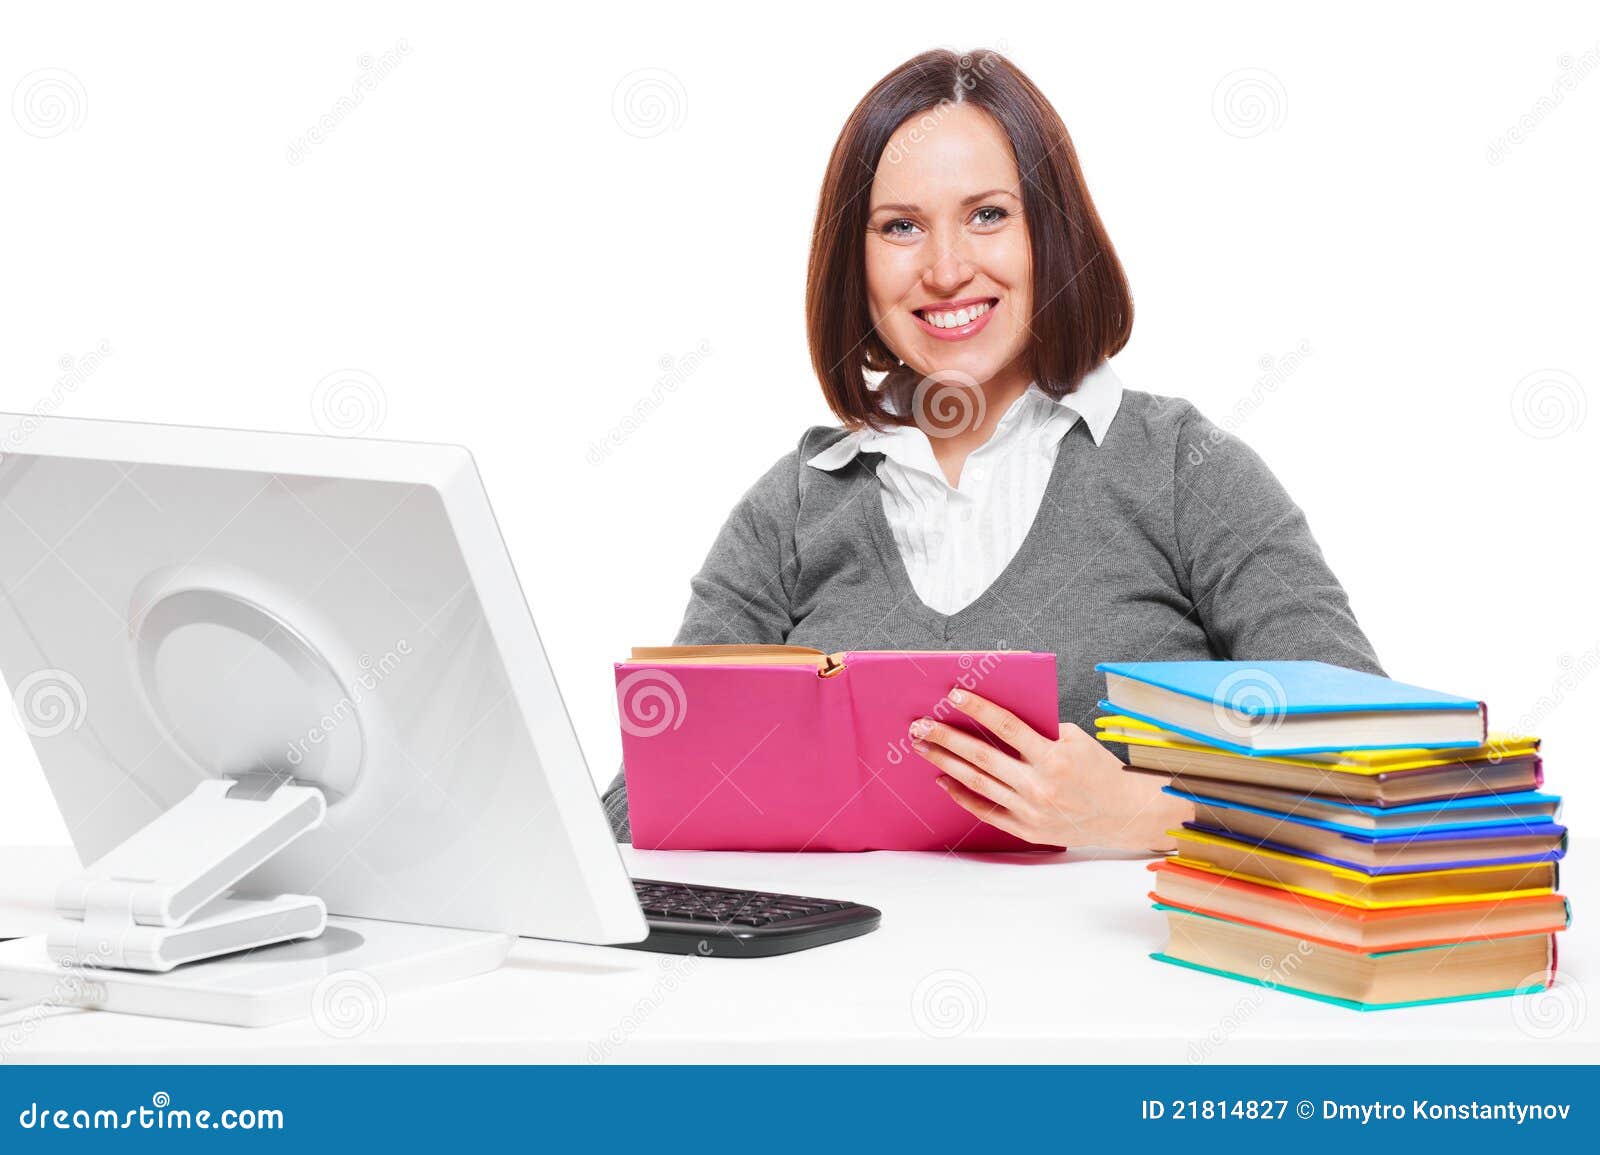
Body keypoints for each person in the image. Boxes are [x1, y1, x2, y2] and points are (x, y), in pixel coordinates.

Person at [602, 47, 1381, 852]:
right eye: (901, 227)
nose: (946, 269)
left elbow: (1377, 770)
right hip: (853, 941)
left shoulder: (1184, 472)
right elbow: (636, 814)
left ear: (1052, 231)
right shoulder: (794, 508)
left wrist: (1141, 811)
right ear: (855, 262)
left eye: (987, 215)